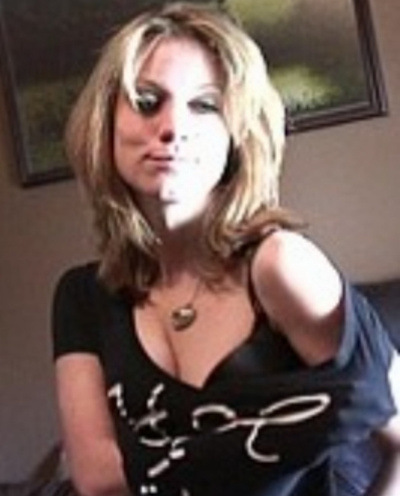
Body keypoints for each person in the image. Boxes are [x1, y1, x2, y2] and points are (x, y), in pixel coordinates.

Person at [51, 2, 400, 496]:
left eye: (205, 105)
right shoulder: (83, 296)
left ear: (237, 134)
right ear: (105, 124)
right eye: (146, 101)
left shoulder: (280, 266)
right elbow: (99, 481)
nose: (172, 127)